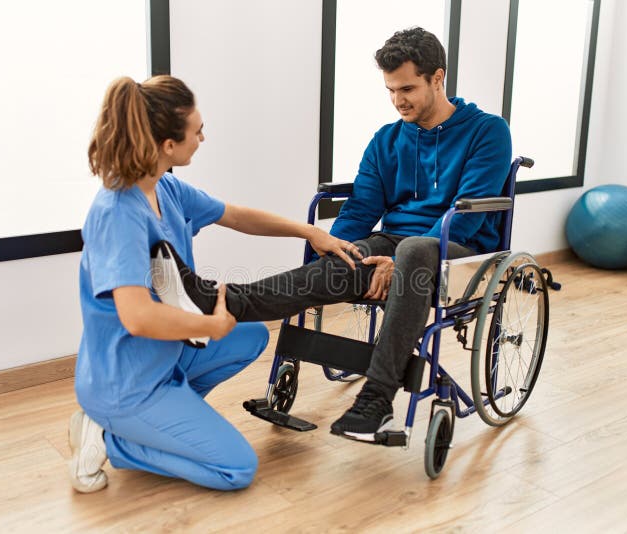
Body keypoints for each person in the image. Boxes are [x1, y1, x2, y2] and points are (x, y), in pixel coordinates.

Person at [166, 26, 512, 443]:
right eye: (390, 90)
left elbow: (467, 217)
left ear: (438, 78)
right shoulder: (386, 139)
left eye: (407, 88)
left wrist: (401, 259)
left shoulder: (488, 131)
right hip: (394, 245)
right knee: (347, 255)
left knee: (416, 250)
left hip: (458, 250)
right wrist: (332, 253)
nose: (398, 101)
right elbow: (363, 209)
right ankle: (222, 299)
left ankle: (378, 397)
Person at [69, 75, 362, 493]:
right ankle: (111, 438)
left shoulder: (162, 186)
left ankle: (165, 423)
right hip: (124, 379)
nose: (203, 137)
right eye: (196, 130)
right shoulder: (118, 212)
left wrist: (310, 233)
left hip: (163, 355)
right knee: (237, 468)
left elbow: (237, 216)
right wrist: (208, 327)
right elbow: (136, 317)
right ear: (168, 145)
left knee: (250, 336)